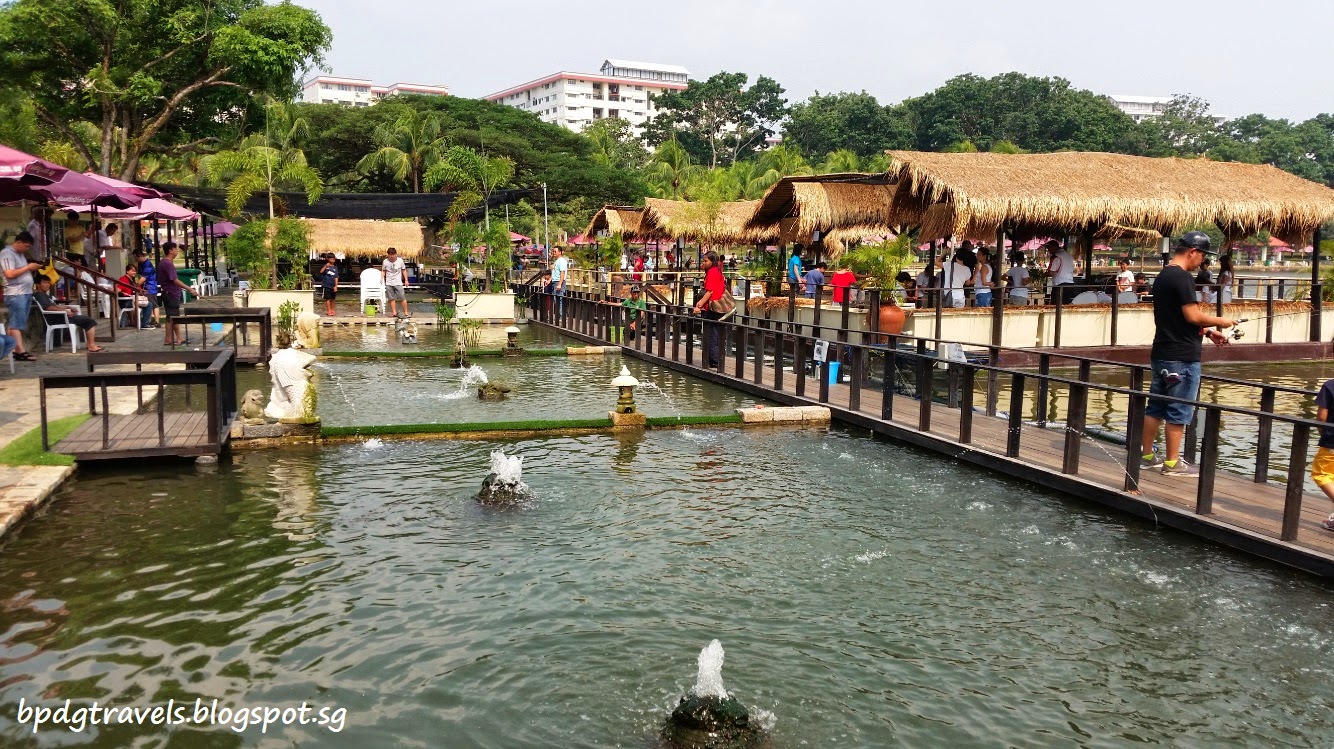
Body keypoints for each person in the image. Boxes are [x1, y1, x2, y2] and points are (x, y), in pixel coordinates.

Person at [1139, 231, 1235, 476]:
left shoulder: (1163, 276)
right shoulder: (1182, 278)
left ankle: (1148, 455)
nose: (1202, 262)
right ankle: (1173, 464)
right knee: (1178, 410)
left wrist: (1207, 331)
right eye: (1202, 256)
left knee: (1156, 407)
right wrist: (1220, 321)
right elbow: (1191, 315)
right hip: (1182, 358)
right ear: (1193, 251)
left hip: (1161, 352)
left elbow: (1175, 318)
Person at [33, 275, 102, 352]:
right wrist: (66, 311)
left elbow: (55, 306)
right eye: (45, 283)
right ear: (38, 284)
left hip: (61, 316)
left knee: (86, 319)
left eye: (48, 283)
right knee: (89, 321)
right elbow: (49, 308)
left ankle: (89, 343)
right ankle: (91, 345)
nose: (47, 284)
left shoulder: (46, 295)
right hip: (57, 319)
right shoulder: (40, 295)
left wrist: (68, 307)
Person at [1, 231, 41, 361]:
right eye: (26, 246)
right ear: (19, 242)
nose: (27, 249)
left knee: (18, 322)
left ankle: (13, 348)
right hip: (15, 293)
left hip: (25, 292)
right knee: (16, 324)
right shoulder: (7, 254)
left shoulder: (20, 255)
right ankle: (20, 351)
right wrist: (28, 267)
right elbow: (10, 274)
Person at [693, 250, 727, 369]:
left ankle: (714, 360)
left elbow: (709, 292)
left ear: (712, 261)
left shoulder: (713, 272)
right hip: (712, 306)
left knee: (711, 333)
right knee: (713, 333)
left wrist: (699, 305)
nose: (704, 262)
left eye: (706, 260)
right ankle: (713, 358)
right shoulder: (715, 271)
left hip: (713, 307)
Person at [1310, 376, 1334, 530]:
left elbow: (1321, 417)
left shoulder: (1330, 386)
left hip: (1332, 441)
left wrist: (1324, 434)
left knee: (1321, 474)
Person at [157, 241, 191, 346]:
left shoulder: (165, 262)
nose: (177, 250)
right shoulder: (167, 263)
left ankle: (173, 339)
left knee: (171, 317)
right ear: (170, 251)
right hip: (170, 293)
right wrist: (189, 289)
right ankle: (174, 339)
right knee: (173, 317)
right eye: (175, 248)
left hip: (168, 293)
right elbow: (174, 280)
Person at [116, 263, 152, 329]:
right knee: (149, 304)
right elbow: (117, 289)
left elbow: (135, 289)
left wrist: (142, 291)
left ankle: (140, 322)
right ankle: (144, 324)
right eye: (132, 270)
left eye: (135, 271)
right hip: (126, 301)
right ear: (127, 271)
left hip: (132, 300)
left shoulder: (131, 280)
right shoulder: (123, 279)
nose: (134, 272)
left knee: (148, 303)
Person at [135, 249, 162, 327]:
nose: (136, 260)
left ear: (139, 256)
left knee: (153, 304)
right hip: (144, 287)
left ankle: (156, 321)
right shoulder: (141, 264)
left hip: (150, 287)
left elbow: (143, 278)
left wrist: (136, 285)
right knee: (147, 304)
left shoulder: (148, 265)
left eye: (136, 258)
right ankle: (148, 320)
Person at [382, 247, 408, 318]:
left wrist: (406, 280)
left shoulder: (400, 261)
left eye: (393, 254)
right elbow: (383, 270)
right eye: (390, 254)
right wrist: (381, 278)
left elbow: (404, 270)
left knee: (402, 297)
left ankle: (406, 312)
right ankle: (394, 312)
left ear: (396, 254)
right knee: (391, 298)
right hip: (389, 282)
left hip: (398, 282)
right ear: (388, 255)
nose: (392, 256)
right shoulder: (385, 262)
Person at [550, 245, 569, 316]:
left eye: (555, 251)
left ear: (560, 252)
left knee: (559, 299)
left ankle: (561, 317)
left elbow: (562, 272)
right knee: (556, 299)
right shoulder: (557, 261)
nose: (554, 253)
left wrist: (560, 284)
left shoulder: (562, 261)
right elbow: (555, 272)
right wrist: (550, 280)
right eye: (553, 251)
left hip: (559, 282)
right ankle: (558, 315)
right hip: (555, 282)